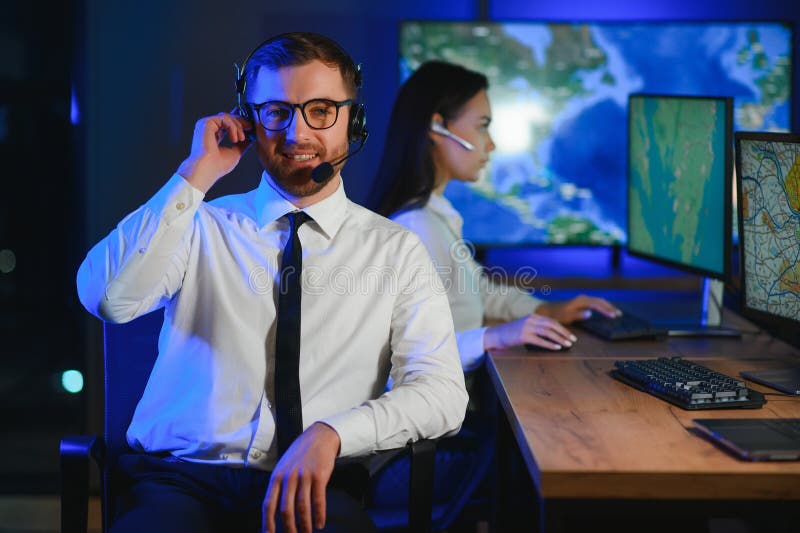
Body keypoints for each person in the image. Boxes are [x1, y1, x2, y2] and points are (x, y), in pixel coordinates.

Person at [77, 34, 467, 533]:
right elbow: (106, 299)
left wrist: (331, 434)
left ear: (354, 120)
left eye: (321, 110)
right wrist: (195, 175)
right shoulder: (197, 224)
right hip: (179, 483)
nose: (297, 133)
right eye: (276, 112)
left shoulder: (395, 251)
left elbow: (440, 394)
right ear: (249, 120)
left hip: (318, 484)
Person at [369, 60, 621, 372]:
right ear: (437, 128)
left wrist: (547, 310)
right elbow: (409, 359)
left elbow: (476, 291)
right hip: (435, 416)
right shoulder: (416, 226)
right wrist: (495, 336)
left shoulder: (434, 215)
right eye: (482, 125)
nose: (490, 144)